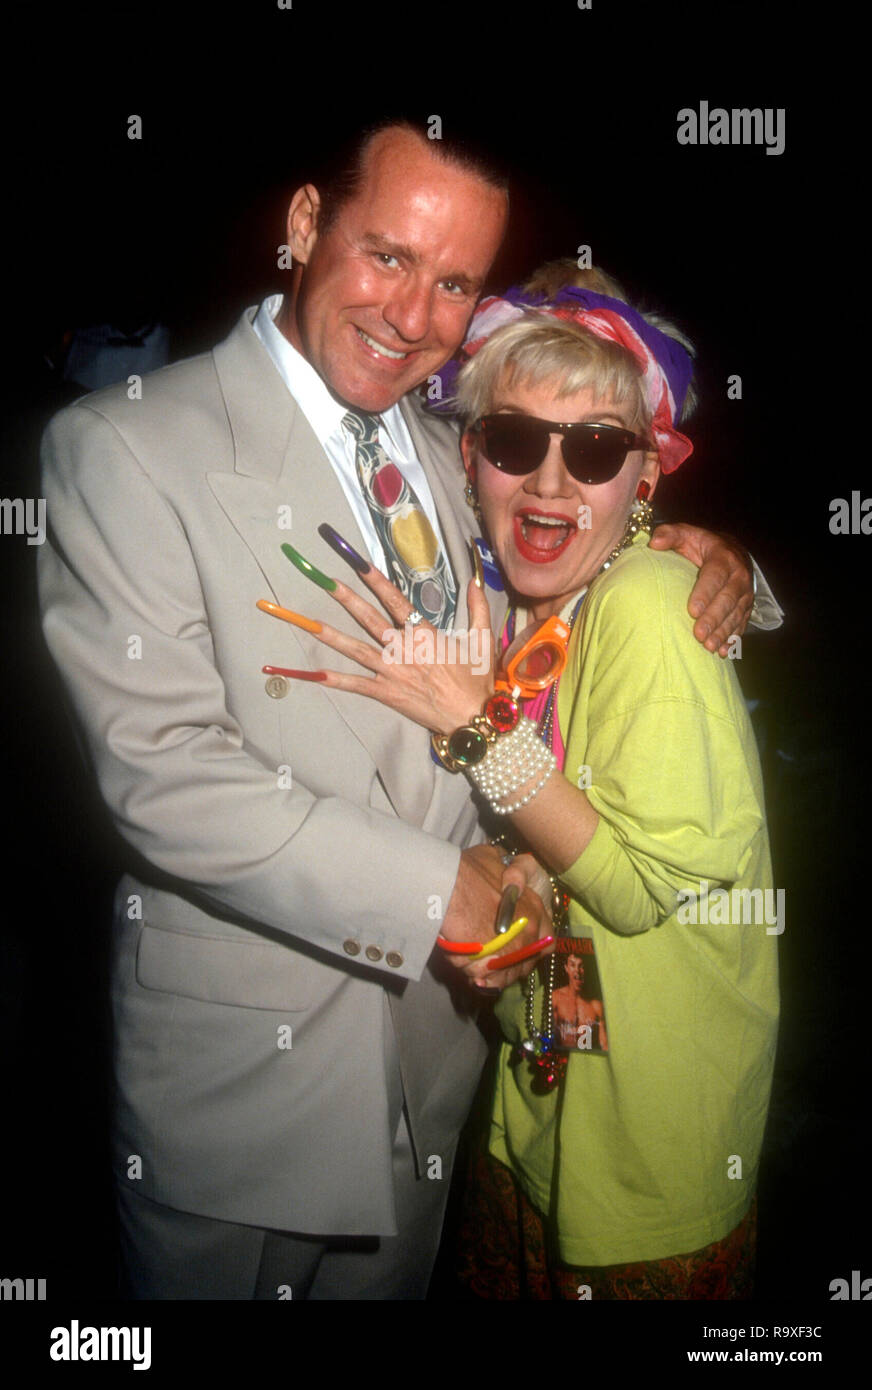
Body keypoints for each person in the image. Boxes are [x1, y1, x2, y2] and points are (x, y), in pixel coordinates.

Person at [38, 120, 767, 1300]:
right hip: (242, 1086)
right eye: (385, 256)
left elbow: (571, 548)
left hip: (440, 1067)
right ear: (303, 226)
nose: (412, 315)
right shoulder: (123, 445)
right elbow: (159, 773)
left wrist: (716, 564)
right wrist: (438, 893)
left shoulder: (458, 443)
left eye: (453, 283)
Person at [293, 272, 779, 1299]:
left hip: (641, 1160)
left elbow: (639, 889)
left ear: (645, 478)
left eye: (596, 448)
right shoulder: (513, 610)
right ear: (469, 460)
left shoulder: (646, 604)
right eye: (515, 440)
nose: (552, 481)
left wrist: (474, 730)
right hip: (533, 1112)